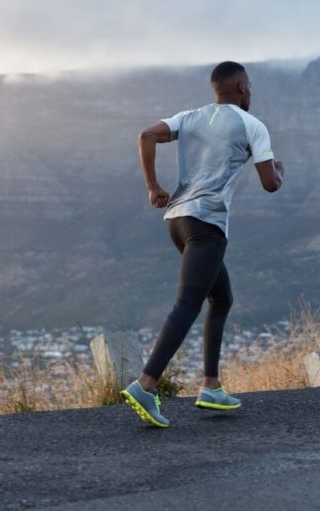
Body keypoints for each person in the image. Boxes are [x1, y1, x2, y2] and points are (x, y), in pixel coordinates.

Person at [120, 61, 285, 428]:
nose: (251, 91)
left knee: (221, 298)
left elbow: (146, 135)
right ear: (241, 87)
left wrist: (153, 187)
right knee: (188, 304)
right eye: (250, 86)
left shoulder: (190, 117)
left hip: (178, 221)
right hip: (207, 225)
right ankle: (146, 384)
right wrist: (280, 171)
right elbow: (270, 183)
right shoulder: (252, 125)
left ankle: (210, 386)